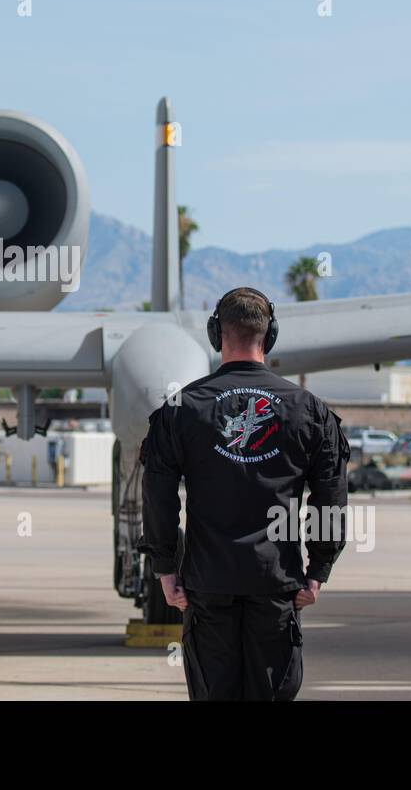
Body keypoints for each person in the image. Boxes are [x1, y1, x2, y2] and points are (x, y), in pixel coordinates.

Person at [140, 286, 349, 700]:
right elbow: (330, 498)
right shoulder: (308, 410)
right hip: (276, 586)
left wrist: (166, 570)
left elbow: (159, 497)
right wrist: (318, 571)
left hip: (207, 587)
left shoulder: (181, 409)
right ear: (269, 336)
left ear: (216, 334)